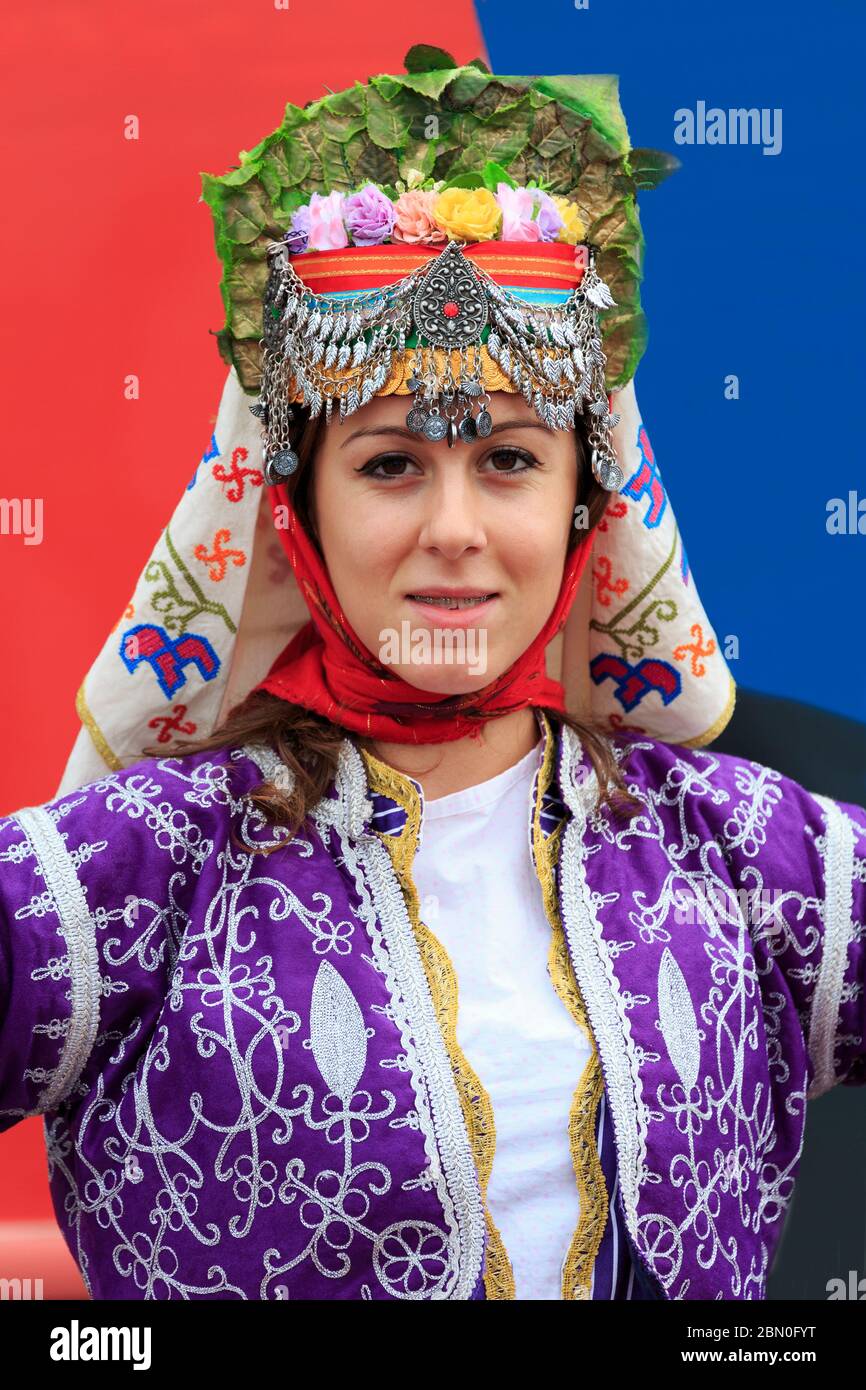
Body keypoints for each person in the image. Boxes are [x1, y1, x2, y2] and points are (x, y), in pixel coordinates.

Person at [1, 47, 863, 1303]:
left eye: (508, 459)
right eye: (391, 464)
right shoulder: (133, 871)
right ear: (292, 513)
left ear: (587, 505)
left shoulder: (739, 850)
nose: (454, 527)